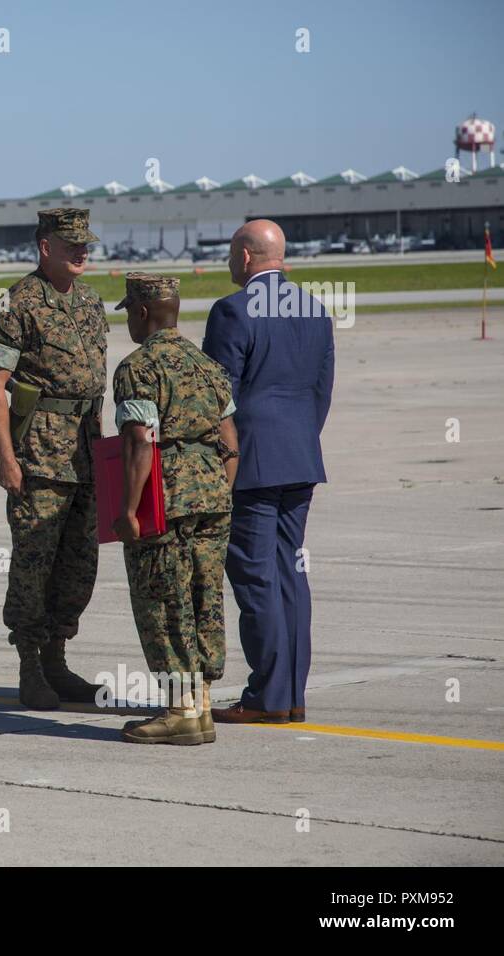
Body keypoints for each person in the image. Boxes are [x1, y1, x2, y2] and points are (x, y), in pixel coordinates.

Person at [202, 219, 334, 724]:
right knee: (290, 574)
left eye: (232, 254)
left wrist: (225, 460)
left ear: (246, 256)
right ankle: (292, 693)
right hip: (299, 458)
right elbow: (320, 393)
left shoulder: (232, 311)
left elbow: (217, 399)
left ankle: (268, 696)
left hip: (252, 462)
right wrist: (298, 440)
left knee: (256, 576)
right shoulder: (316, 311)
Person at [0, 207, 108, 710]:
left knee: (79, 565)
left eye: (86, 245)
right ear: (44, 246)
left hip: (88, 454)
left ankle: (57, 658)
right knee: (33, 562)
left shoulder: (92, 301)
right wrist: (6, 458)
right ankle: (30, 666)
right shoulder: (16, 303)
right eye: (72, 244)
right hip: (39, 456)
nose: (82, 252)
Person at [110, 273, 239, 745]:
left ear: (143, 312)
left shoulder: (137, 368)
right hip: (212, 498)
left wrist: (128, 510)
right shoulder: (208, 365)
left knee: (164, 602)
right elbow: (231, 443)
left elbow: (141, 441)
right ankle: (200, 704)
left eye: (128, 311)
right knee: (206, 598)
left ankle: (180, 710)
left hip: (165, 500)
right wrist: (218, 493)